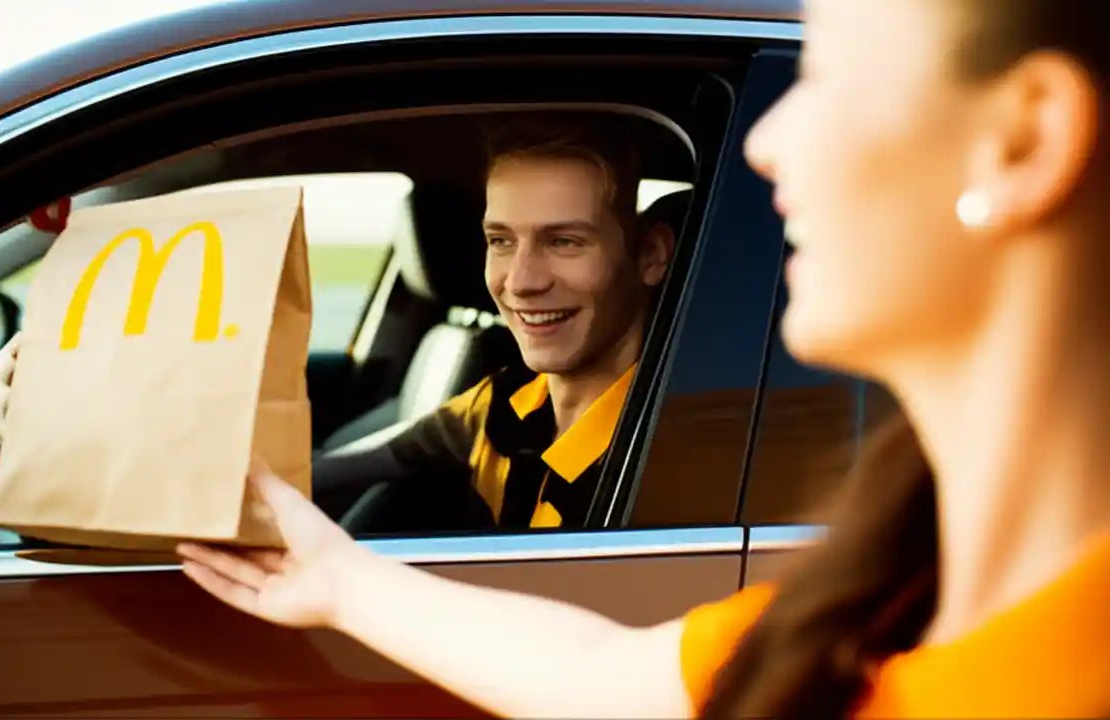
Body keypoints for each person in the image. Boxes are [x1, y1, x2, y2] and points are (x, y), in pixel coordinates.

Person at [176, 0, 1110, 717]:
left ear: (1023, 141)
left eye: (832, 77)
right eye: (502, 241)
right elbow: (602, 677)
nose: (769, 142)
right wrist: (337, 579)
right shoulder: (883, 605)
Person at [0, 116, 678, 532]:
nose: (521, 280)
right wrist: (64, 424)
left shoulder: (677, 442)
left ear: (649, 255)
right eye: (501, 239)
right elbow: (307, 476)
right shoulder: (496, 408)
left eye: (564, 241)